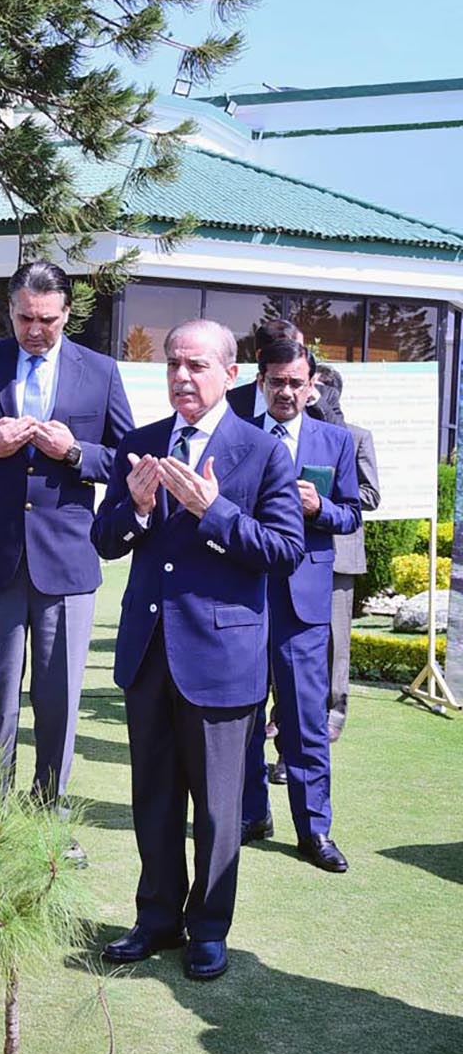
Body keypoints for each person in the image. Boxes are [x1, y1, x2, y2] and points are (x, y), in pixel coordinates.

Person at [92, 320, 304, 979]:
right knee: (152, 795)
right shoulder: (143, 442)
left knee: (217, 808)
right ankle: (157, 917)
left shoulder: (262, 451)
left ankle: (209, 927)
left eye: (197, 366)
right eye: (173, 364)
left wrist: (215, 512)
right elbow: (105, 539)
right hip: (149, 649)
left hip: (221, 656)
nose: (183, 376)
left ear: (230, 374)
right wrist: (131, 506)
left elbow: (284, 548)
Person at [0, 260, 134, 840]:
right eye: (24, 318)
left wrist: (75, 453)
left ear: (67, 314)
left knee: (60, 703)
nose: (35, 330)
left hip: (67, 563)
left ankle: (48, 829)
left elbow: (127, 459)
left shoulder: (101, 371)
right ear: (10, 312)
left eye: (47, 319)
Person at [239, 339, 361, 871]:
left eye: (297, 382)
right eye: (277, 381)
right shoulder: (238, 435)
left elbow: (353, 514)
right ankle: (250, 813)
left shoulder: (335, 441)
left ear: (312, 387)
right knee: (239, 715)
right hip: (240, 595)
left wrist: (321, 507)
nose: (286, 391)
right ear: (260, 381)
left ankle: (314, 830)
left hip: (303, 604)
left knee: (306, 721)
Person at [314, 363, 381, 740]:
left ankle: (335, 711)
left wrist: (330, 493)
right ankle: (285, 711)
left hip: (340, 554)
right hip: (297, 550)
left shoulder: (356, 437)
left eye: (319, 389)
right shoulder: (295, 435)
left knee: (335, 640)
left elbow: (370, 495)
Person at [227, 318, 304, 421]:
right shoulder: (230, 401)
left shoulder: (318, 399)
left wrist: (314, 402)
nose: (296, 357)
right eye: (286, 352)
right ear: (260, 355)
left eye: (301, 351)